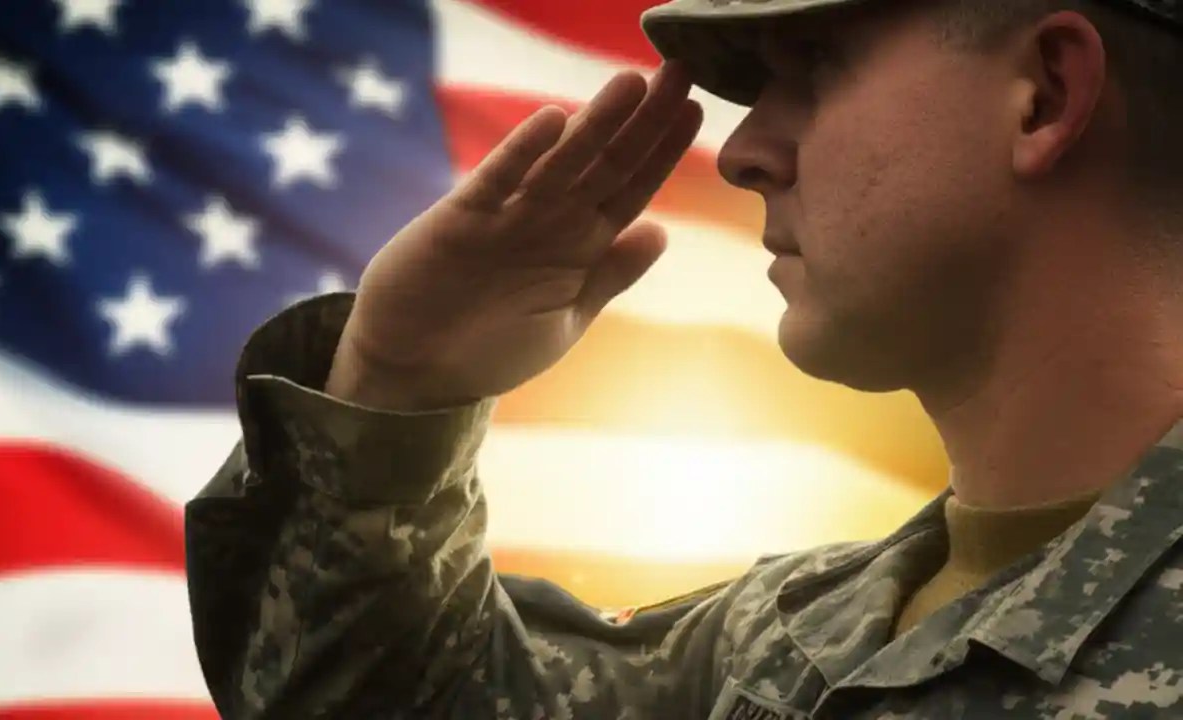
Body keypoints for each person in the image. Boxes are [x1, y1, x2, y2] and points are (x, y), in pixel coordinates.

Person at [183, 0, 1183, 716]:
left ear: (1044, 94)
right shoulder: (783, 643)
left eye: (816, 64)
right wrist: (394, 388)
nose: (743, 152)